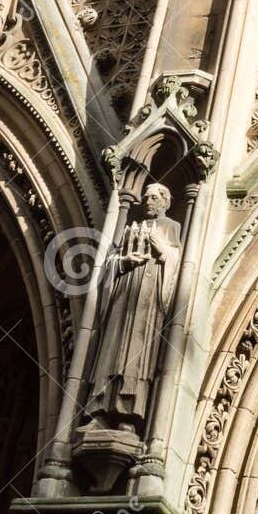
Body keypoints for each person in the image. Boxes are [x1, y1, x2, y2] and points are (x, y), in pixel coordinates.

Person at [84, 183, 181, 432]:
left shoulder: (171, 227)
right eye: (146, 198)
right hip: (124, 295)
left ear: (165, 201)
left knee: (136, 355)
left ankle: (129, 414)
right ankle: (100, 411)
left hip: (147, 300)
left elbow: (176, 262)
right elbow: (111, 261)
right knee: (111, 351)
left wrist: (161, 248)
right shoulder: (130, 228)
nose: (147, 202)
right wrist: (123, 262)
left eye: (153, 198)